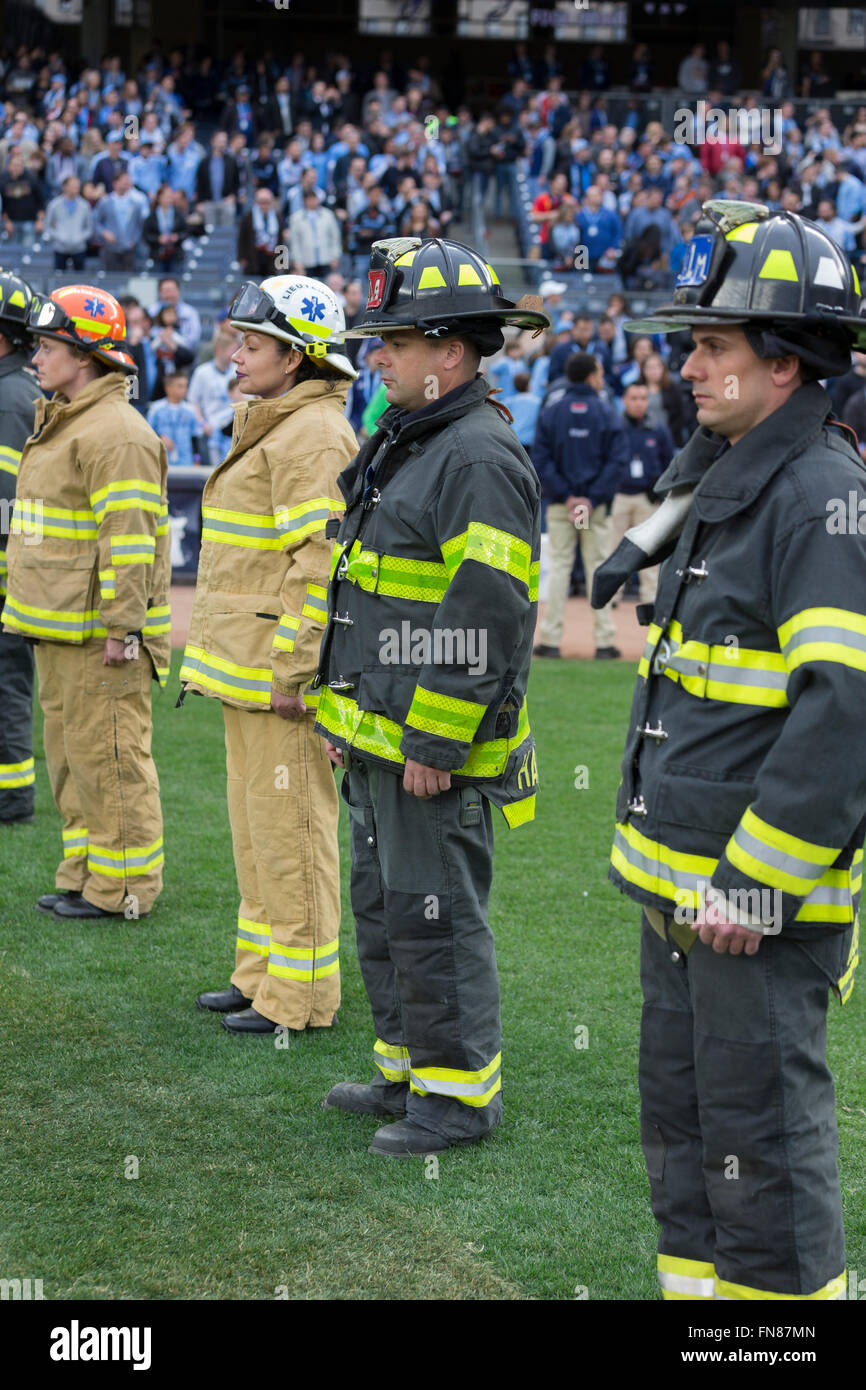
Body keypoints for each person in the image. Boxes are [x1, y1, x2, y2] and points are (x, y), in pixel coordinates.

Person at [591, 200, 865, 1301]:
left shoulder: (818, 496)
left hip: (748, 907)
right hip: (683, 897)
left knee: (760, 1148)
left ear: (786, 365)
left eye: (711, 346)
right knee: (689, 1136)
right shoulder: (734, 475)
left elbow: (844, 712)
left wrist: (752, 885)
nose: (687, 368)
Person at [313, 235, 548, 1156]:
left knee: (433, 915)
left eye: (394, 341)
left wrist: (435, 745)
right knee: (384, 909)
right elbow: (369, 593)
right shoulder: (413, 439)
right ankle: (407, 1070)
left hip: (428, 753)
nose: (377, 356)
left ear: (450, 352)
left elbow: (487, 615)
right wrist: (350, 721)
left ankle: (458, 1101)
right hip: (380, 738)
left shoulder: (477, 458)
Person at [180, 276, 358, 1035]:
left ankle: (303, 997)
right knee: (258, 837)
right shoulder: (276, 425)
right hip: (246, 673)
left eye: (250, 345)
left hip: (276, 680)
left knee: (291, 836)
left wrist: (296, 672)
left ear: (294, 356)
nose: (235, 357)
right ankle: (260, 977)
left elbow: (318, 565)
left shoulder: (312, 435)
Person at [3, 285, 170, 919]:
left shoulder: (116, 433)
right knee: (75, 763)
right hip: (57, 630)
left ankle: (123, 889)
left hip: (99, 636)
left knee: (112, 761)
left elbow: (129, 543)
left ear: (84, 353)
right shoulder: (70, 420)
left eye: (47, 346)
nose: (36, 358)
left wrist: (123, 629)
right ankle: (84, 873)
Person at [532, 352, 630, 660]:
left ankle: (549, 640)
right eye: (599, 372)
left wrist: (567, 497)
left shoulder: (553, 411)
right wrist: (590, 499)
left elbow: (540, 460)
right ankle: (604, 642)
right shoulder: (606, 411)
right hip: (593, 507)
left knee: (560, 568)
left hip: (563, 505)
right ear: (591, 376)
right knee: (596, 566)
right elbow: (617, 462)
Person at [0, 271, 43, 825]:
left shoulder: (10, 399)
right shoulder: (16, 392)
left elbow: (10, 503)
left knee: (7, 683)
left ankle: (12, 796)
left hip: (8, 579)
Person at [605, 381, 674, 607]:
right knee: (613, 548)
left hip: (647, 498)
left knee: (649, 551)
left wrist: (658, 490)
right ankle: (611, 596)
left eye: (643, 398)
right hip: (619, 496)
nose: (638, 403)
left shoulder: (658, 429)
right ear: (624, 400)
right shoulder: (615, 427)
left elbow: (669, 462)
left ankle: (650, 598)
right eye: (633, 398)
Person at [147, 370, 202, 466]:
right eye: (180, 386)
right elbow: (147, 433)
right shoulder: (156, 408)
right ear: (168, 388)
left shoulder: (190, 410)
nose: (184, 389)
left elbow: (195, 438)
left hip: (186, 463)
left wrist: (197, 459)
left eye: (185, 386)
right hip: (162, 463)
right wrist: (159, 438)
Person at [42, 174, 93, 271]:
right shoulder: (54, 205)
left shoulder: (85, 205)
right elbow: (47, 226)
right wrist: (58, 236)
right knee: (59, 278)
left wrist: (81, 237)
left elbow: (89, 228)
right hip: (60, 248)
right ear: (65, 187)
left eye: (78, 186)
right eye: (73, 186)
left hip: (79, 249)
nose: (76, 188)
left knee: (80, 279)